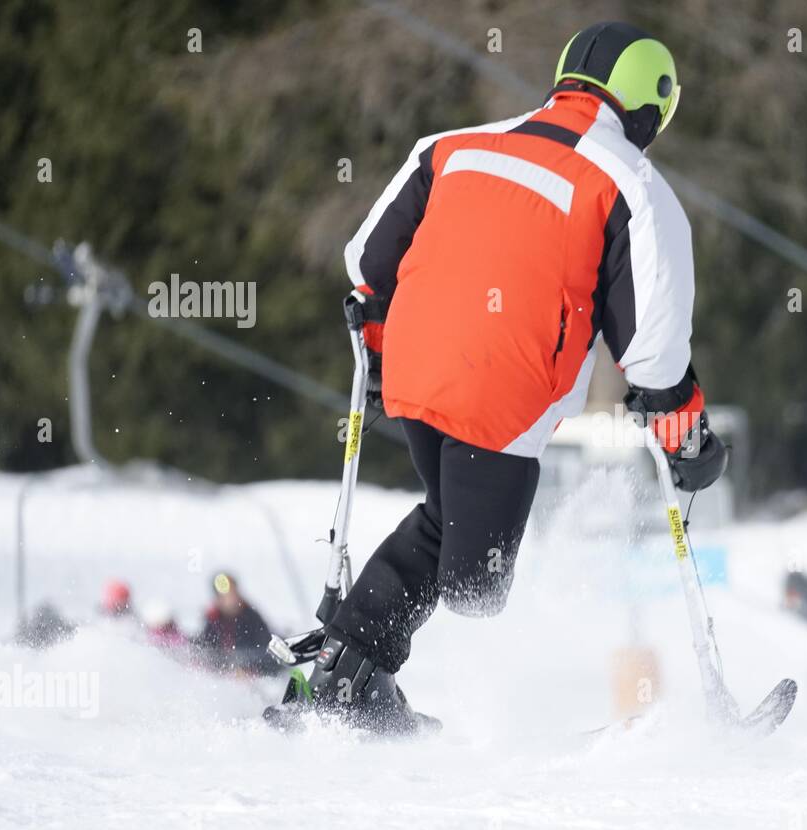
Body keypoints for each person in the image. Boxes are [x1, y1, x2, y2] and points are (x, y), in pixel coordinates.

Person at [268, 21, 727, 731]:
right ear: (650, 107)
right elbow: (653, 352)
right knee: (475, 585)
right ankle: (347, 679)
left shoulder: (451, 146)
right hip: (503, 398)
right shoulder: (633, 187)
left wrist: (385, 332)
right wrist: (688, 435)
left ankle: (348, 670)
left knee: (445, 525)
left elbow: (365, 263)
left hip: (416, 382)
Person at [197, 572, 275, 674]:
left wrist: (250, 669)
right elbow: (206, 648)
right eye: (224, 595)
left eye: (231, 593)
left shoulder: (251, 617)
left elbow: (268, 652)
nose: (229, 599)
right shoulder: (214, 619)